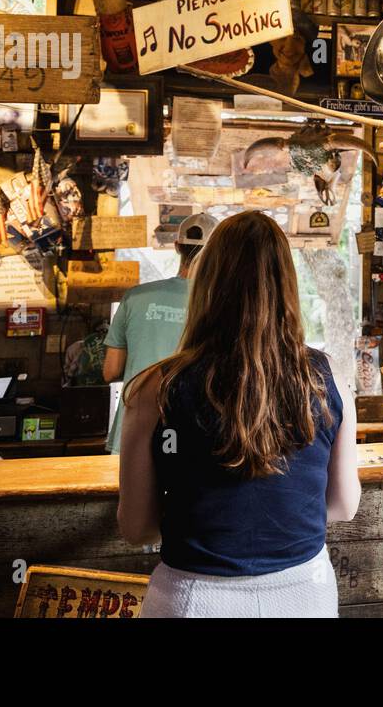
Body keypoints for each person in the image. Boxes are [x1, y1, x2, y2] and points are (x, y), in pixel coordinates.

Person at [118, 210, 360, 617]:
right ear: (288, 284)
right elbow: (342, 505)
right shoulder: (327, 376)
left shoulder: (154, 388)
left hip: (193, 596)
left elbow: (136, 527)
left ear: (207, 283)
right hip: (304, 593)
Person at [103, 213, 217, 454]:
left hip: (133, 426)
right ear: (217, 253)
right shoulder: (217, 304)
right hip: (189, 429)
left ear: (177, 247)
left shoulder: (135, 297)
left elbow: (110, 371)